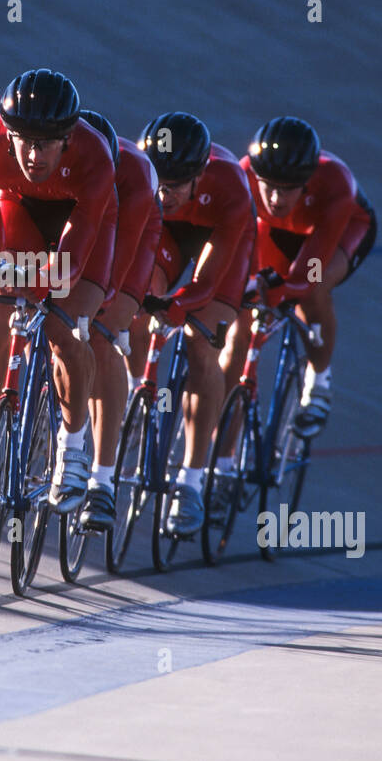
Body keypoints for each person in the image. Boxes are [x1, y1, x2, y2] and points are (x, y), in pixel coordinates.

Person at [0, 69, 117, 513]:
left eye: (45, 142)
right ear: (6, 132)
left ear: (68, 139)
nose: (33, 153)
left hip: (79, 223)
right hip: (20, 208)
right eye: (23, 139)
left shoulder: (96, 159)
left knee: (69, 328)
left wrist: (38, 281)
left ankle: (73, 448)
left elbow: (71, 265)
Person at [132, 112, 256, 537]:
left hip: (218, 243)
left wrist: (178, 306)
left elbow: (206, 285)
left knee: (202, 343)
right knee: (135, 295)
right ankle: (133, 390)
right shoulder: (141, 180)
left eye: (174, 187)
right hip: (166, 237)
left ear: (200, 175)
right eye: (158, 185)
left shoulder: (231, 188)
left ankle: (191, 479)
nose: (163, 195)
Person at [239, 116, 377, 437]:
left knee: (311, 292)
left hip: (340, 231)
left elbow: (308, 273)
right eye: (268, 186)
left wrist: (287, 290)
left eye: (287, 190)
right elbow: (239, 253)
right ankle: (223, 459)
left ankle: (319, 383)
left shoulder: (335, 182)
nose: (275, 199)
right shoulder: (242, 174)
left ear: (307, 182)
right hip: (276, 231)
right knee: (242, 319)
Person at [76, 111, 163, 532]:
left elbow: (114, 275)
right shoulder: (60, 162)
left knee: (99, 333)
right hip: (75, 213)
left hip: (133, 229)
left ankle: (102, 481)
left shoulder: (135, 178)